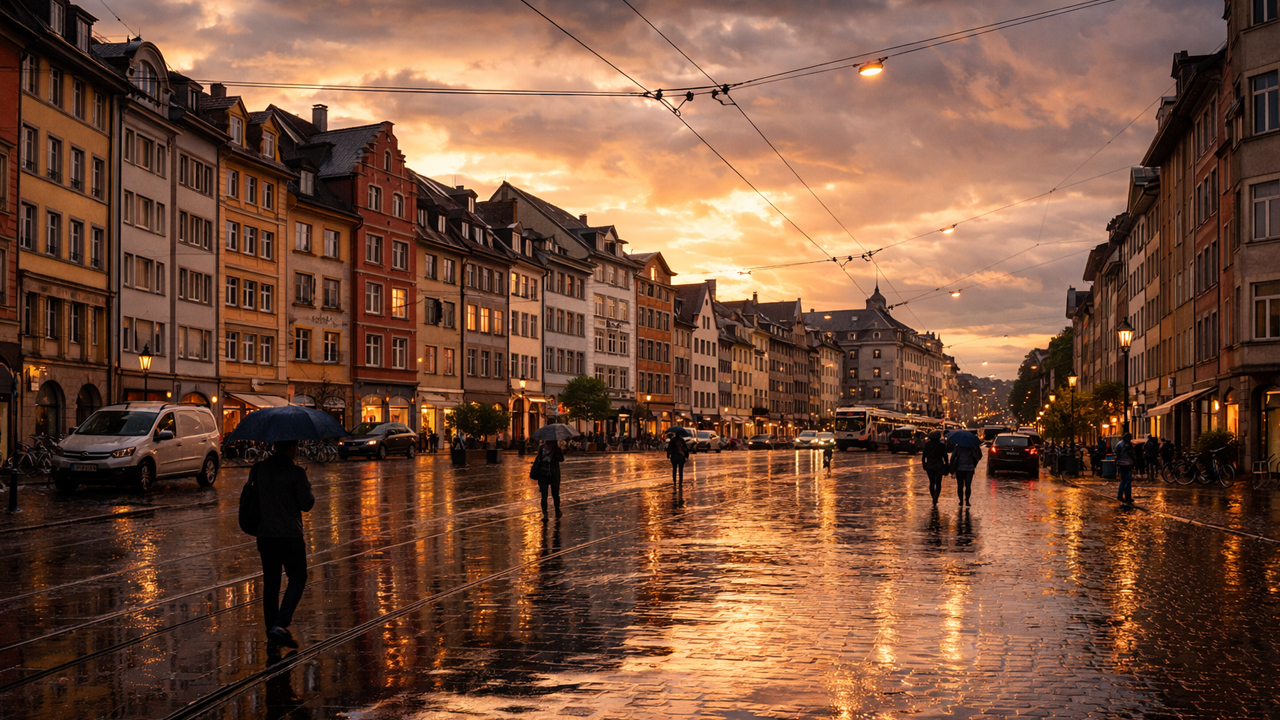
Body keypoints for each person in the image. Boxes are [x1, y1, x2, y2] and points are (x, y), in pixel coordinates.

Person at [253, 440, 315, 650]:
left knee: (270, 583)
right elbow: (306, 504)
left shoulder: (260, 470)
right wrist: (306, 486)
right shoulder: (295, 472)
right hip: (290, 536)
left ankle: (271, 632)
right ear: (291, 448)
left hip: (266, 536)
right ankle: (280, 624)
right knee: (298, 577)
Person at [532, 439, 564, 517]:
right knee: (546, 495)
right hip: (545, 474)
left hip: (550, 474)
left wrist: (556, 452)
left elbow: (561, 459)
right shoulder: (542, 448)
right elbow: (539, 459)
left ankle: (554, 511)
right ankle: (547, 513)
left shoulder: (554, 448)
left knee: (553, 494)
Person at [950, 434, 982, 506]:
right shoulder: (972, 448)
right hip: (969, 469)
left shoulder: (957, 448)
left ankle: (961, 500)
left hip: (959, 469)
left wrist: (951, 468)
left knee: (960, 486)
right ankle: (967, 500)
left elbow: (952, 458)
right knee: (968, 485)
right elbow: (978, 457)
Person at [921, 430, 949, 504]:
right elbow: (945, 457)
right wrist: (947, 465)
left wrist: (924, 464)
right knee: (938, 483)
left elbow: (924, 456)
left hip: (930, 466)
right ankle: (936, 497)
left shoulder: (927, 445)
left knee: (932, 482)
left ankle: (933, 496)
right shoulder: (941, 446)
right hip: (939, 466)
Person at [1114, 432, 1136, 504]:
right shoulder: (1128, 445)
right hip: (1125, 464)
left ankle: (1125, 496)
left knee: (1126, 480)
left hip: (1124, 464)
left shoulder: (1120, 445)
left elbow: (1116, 454)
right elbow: (1133, 454)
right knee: (1126, 480)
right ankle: (1125, 496)